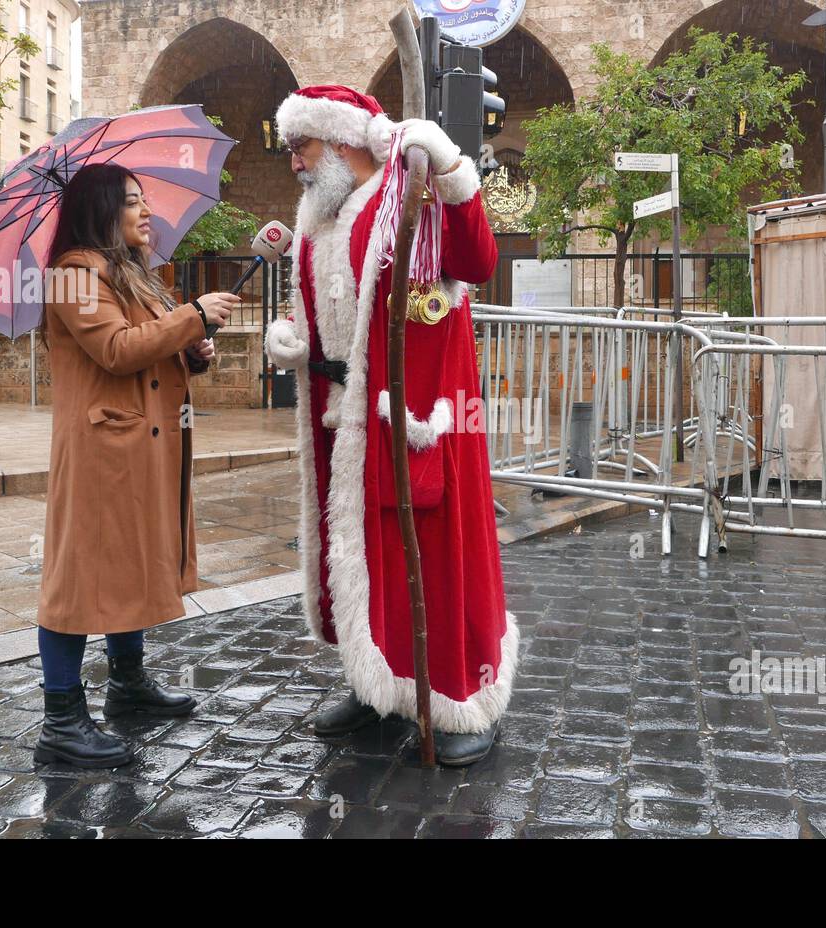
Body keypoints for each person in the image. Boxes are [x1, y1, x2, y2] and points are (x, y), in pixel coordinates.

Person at [265, 85, 515, 766]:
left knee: (434, 557)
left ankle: (461, 696)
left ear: (344, 140)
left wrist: (453, 170)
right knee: (368, 561)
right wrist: (292, 338)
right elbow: (327, 317)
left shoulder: (411, 193)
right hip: (345, 424)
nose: (294, 164)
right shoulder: (321, 220)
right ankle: (379, 685)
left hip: (417, 415)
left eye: (301, 147)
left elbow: (476, 263)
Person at [34, 162, 238, 768]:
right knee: (76, 581)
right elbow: (117, 351)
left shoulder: (135, 276)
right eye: (131, 202)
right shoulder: (72, 274)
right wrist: (192, 315)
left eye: (145, 201)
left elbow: (155, 347)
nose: (146, 212)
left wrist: (192, 351)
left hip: (140, 449)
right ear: (100, 210)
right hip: (102, 454)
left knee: (127, 568)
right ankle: (62, 720)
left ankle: (128, 684)